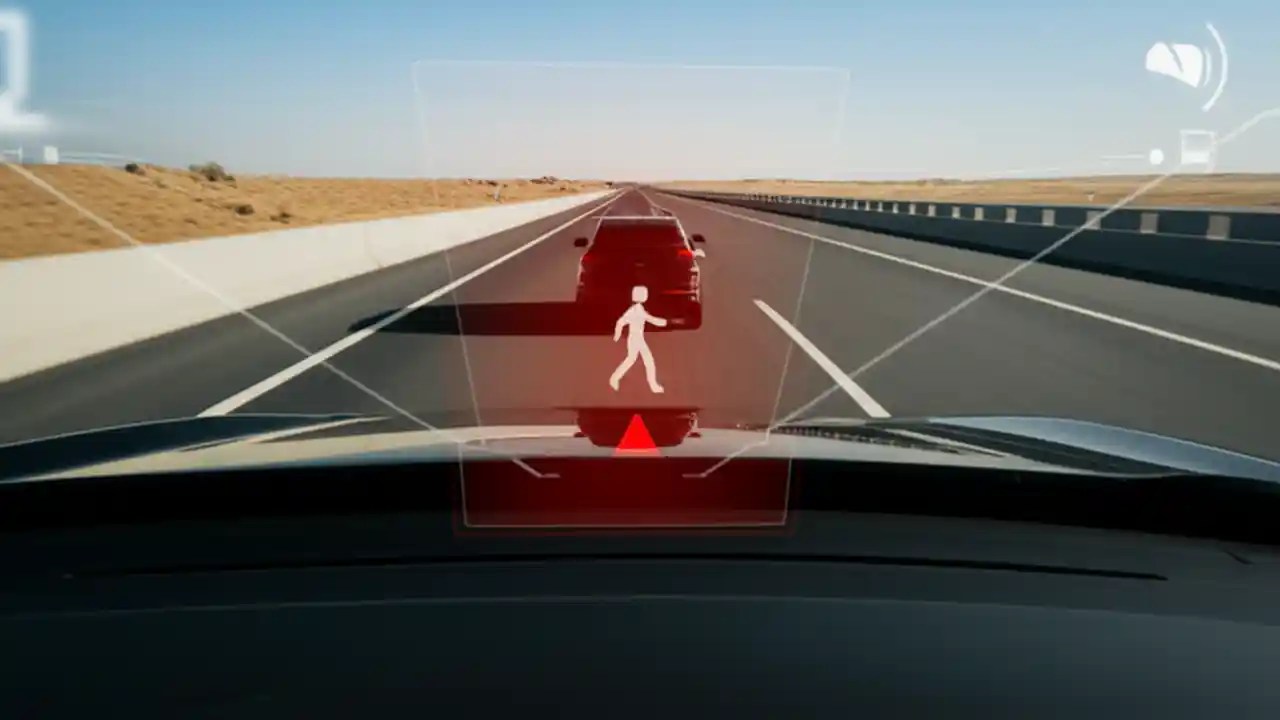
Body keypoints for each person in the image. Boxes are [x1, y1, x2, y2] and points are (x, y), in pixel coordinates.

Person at [609, 285, 666, 393]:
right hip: (635, 339)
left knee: (639, 360)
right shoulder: (636, 310)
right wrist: (664, 322)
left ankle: (615, 378)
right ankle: (615, 378)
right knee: (642, 360)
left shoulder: (637, 309)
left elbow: (621, 322)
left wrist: (617, 334)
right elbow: (621, 322)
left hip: (638, 338)